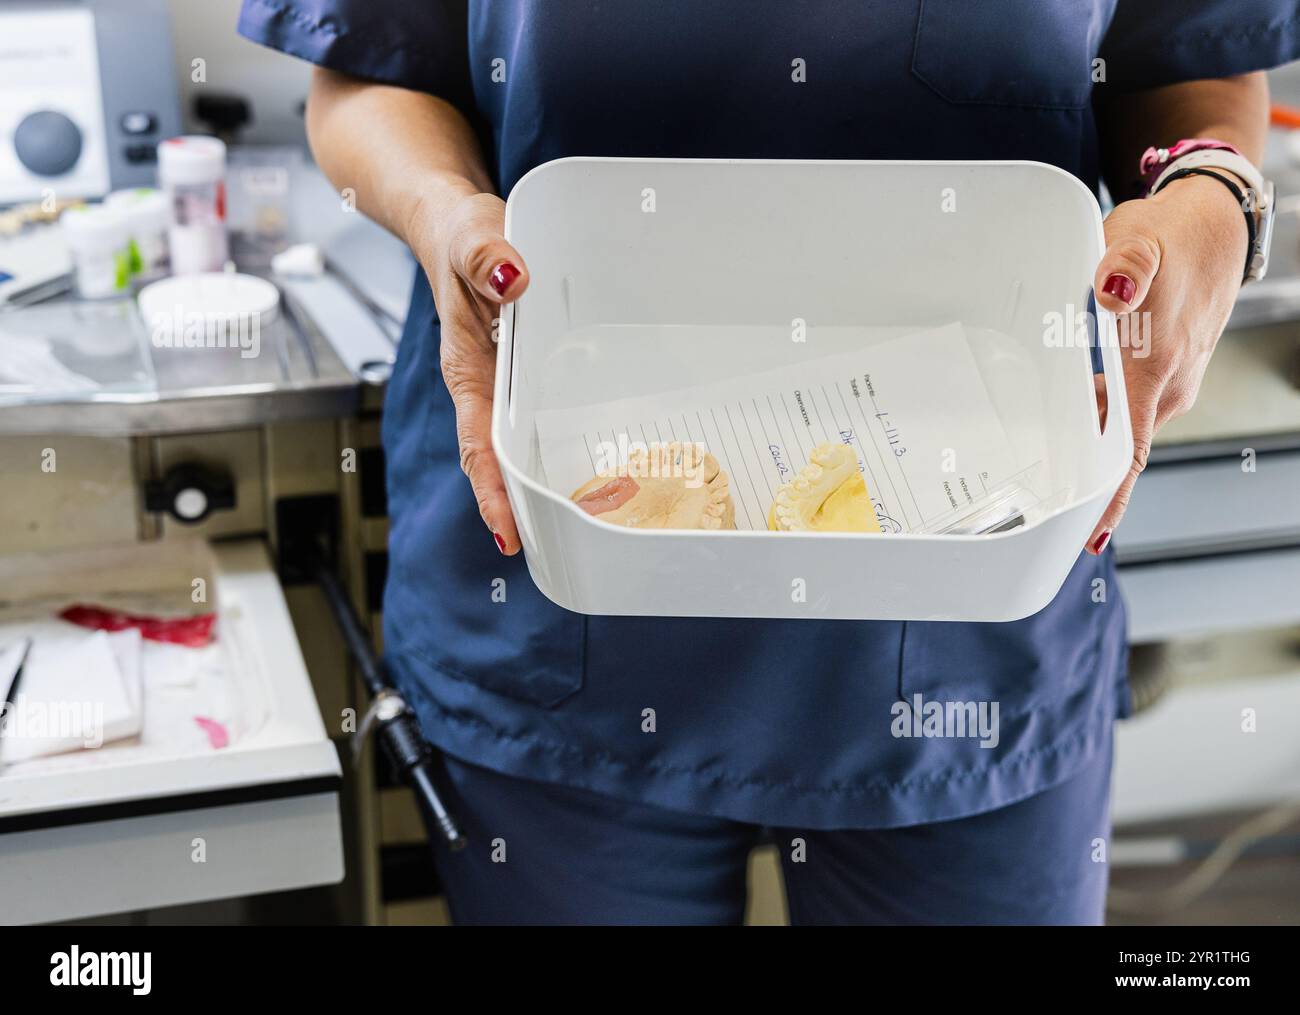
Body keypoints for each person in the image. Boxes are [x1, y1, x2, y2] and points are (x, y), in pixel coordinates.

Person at [239, 0, 1297, 924]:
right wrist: (440, 209)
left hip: (970, 626)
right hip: (559, 608)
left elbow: (1184, 60)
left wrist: (1212, 193)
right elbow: (365, 77)